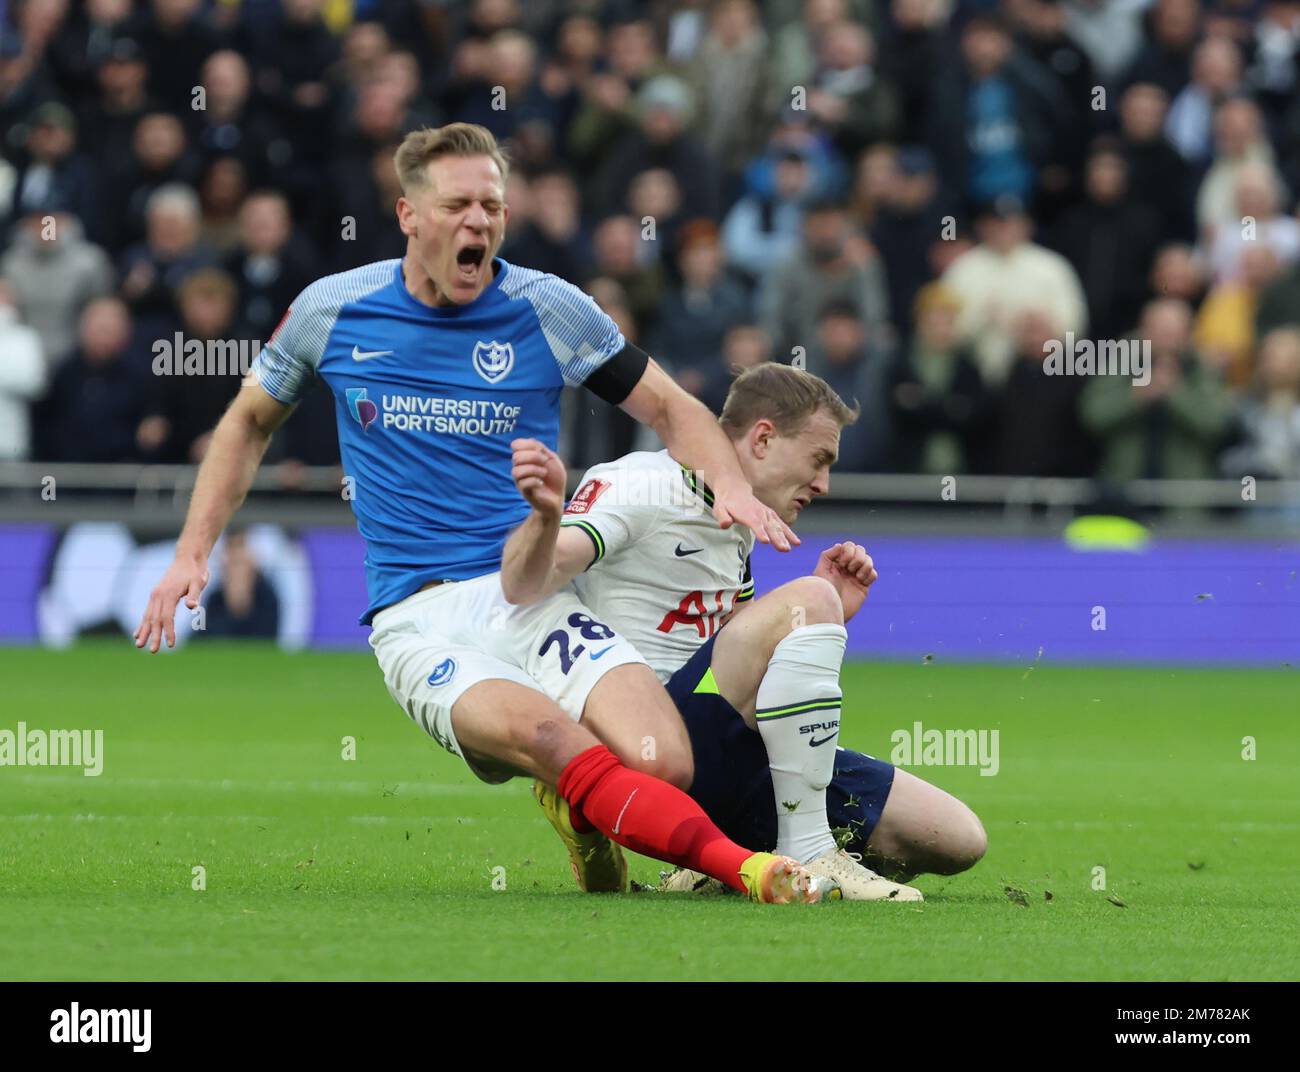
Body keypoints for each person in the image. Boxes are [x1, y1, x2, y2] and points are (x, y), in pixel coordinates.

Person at [134, 122, 832, 905]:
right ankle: (745, 867)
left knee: (662, 760)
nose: (480, 224)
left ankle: (574, 803)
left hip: (526, 591)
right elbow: (247, 421)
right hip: (418, 613)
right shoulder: (334, 310)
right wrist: (194, 551)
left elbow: (672, 407)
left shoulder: (547, 308)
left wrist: (730, 490)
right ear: (409, 216)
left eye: (493, 207)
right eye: (459, 205)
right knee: (542, 737)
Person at [501, 364, 987, 899]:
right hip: (645, 744)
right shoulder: (643, 482)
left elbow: (731, 657)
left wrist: (825, 618)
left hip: (718, 747)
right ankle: (809, 848)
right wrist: (544, 518)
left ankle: (716, 864)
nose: (823, 484)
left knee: (957, 837)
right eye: (819, 459)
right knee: (809, 597)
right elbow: (547, 570)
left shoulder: (734, 526)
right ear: (762, 438)